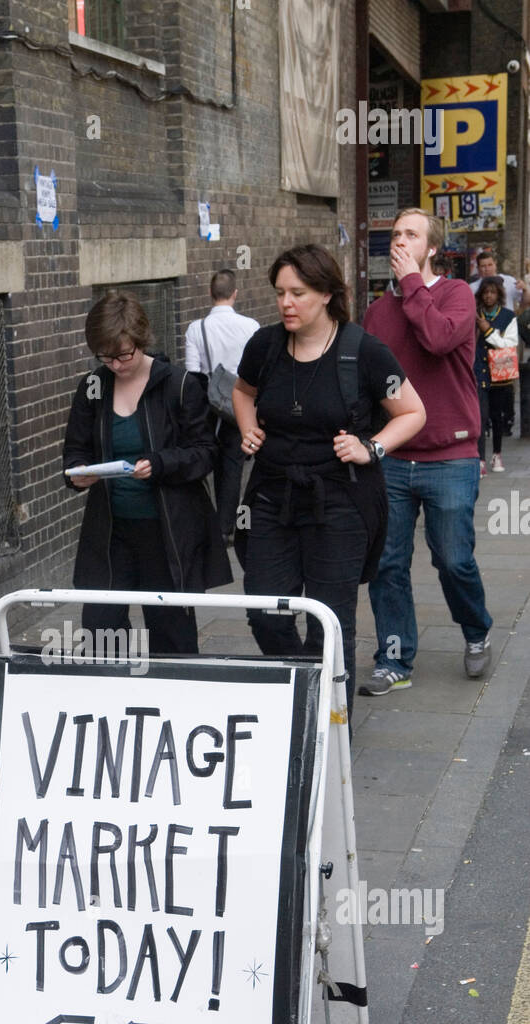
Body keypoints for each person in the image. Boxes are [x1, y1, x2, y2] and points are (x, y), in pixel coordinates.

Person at [232, 245, 425, 721]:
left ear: (326, 294)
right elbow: (242, 391)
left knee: (330, 620)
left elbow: (414, 412)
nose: (286, 303)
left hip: (340, 500)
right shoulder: (265, 345)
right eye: (279, 293)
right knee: (264, 610)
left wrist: (371, 447)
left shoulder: (364, 352)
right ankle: (302, 698)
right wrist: (246, 426)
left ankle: (332, 730)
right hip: (274, 495)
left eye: (298, 292)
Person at [360, 208, 493, 694]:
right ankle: (393, 660)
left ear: (431, 249)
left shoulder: (456, 295)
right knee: (387, 563)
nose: (399, 241)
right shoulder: (378, 310)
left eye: (411, 235)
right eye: (395, 234)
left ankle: (476, 631)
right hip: (392, 458)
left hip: (451, 456)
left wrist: (413, 284)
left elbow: (437, 339)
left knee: (453, 559)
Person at [63, 290, 231, 655]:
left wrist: (159, 463)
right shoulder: (93, 387)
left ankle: (175, 703)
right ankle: (113, 701)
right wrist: (78, 474)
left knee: (170, 633)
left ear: (142, 341)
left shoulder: (178, 384)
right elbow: (75, 450)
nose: (117, 365)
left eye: (124, 354)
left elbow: (205, 453)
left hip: (167, 531)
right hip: (111, 532)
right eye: (106, 357)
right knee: (100, 632)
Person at [184, 269, 260, 540]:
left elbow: (192, 373)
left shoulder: (197, 328)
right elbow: (258, 370)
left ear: (210, 293)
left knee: (204, 461)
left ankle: (205, 522)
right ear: (235, 293)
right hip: (239, 407)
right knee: (232, 466)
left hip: (208, 408)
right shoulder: (251, 326)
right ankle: (225, 527)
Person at [474, 276, 517, 474]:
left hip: (500, 375)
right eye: (485, 292)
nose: (489, 296)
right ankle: (480, 458)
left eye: (492, 292)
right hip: (478, 374)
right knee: (480, 417)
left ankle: (497, 454)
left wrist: (488, 331)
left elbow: (509, 344)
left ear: (499, 295)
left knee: (497, 416)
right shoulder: (475, 315)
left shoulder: (508, 316)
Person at [469, 249, 524, 314]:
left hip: (507, 321)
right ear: (478, 268)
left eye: (490, 265)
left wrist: (525, 289)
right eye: (483, 266)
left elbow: (524, 301)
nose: (487, 269)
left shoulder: (509, 280)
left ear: (495, 264)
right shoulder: (472, 288)